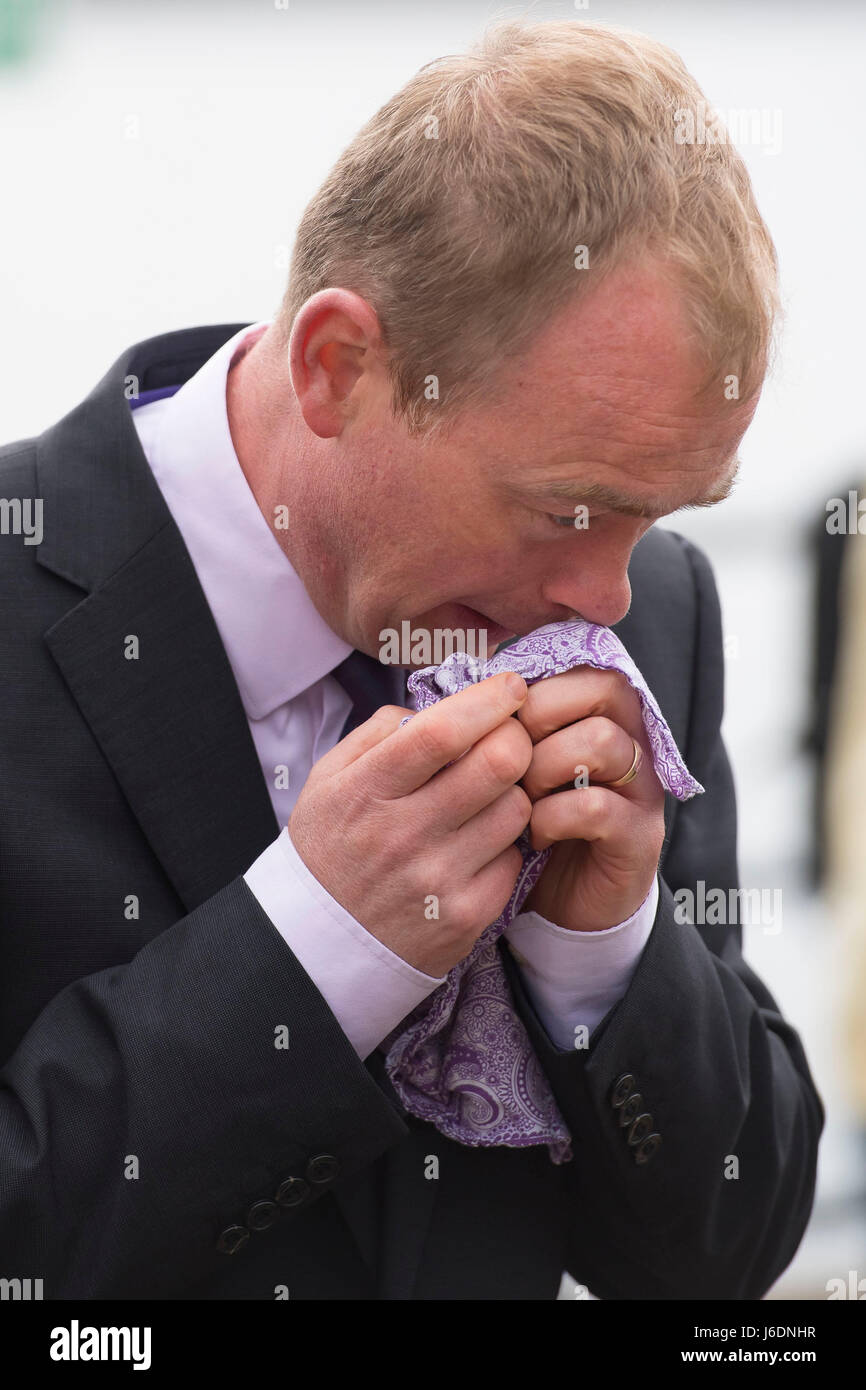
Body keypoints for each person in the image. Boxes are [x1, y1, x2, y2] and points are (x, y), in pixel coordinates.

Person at [0, 19, 822, 1299]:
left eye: (656, 513)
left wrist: (600, 958)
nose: (602, 593)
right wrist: (311, 949)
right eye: (566, 506)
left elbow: (717, 1261)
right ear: (339, 368)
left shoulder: (656, 612)